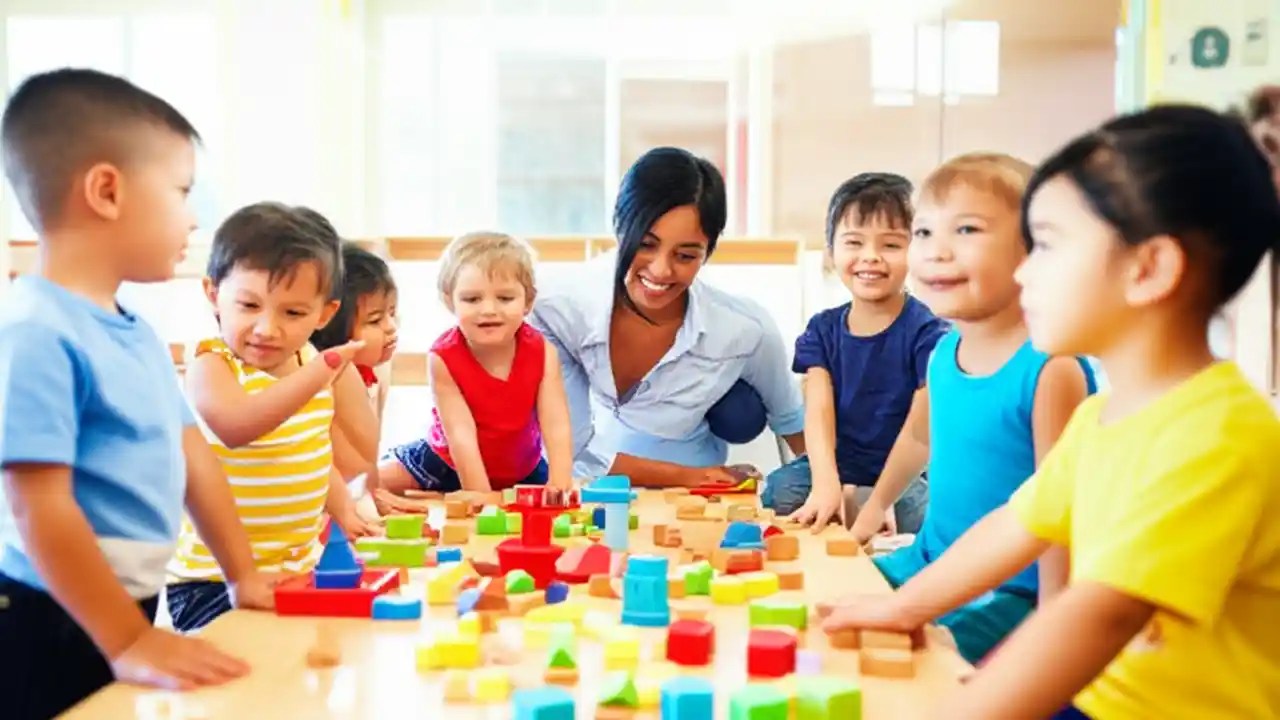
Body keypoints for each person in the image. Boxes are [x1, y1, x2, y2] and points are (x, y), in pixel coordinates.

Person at [823, 106, 1280, 720]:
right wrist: (903, 607)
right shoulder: (1105, 417)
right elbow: (1016, 526)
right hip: (1100, 697)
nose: (1022, 270)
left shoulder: (1215, 435)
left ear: (1149, 269)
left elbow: (1101, 612)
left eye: (1044, 246)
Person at [0, 68, 277, 718]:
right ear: (106, 190)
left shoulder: (138, 333)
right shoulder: (36, 332)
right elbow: (39, 506)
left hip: (123, 606)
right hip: (49, 614)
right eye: (182, 190)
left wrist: (244, 576)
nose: (194, 215)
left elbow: (195, 462)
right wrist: (126, 638)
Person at [844, 153, 1094, 664]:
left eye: (966, 230)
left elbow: (1061, 510)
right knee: (833, 604)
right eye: (924, 233)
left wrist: (1054, 623)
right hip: (931, 560)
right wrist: (871, 512)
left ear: (1033, 252)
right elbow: (919, 438)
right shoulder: (941, 353)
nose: (936, 252)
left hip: (1010, 591)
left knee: (917, 661)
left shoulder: (1051, 370)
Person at [530, 147, 806, 486]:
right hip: (595, 491)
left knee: (741, 414)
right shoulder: (555, 308)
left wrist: (838, 494)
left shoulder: (745, 330)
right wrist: (690, 477)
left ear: (708, 252)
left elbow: (793, 422)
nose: (661, 270)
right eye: (646, 244)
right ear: (620, 227)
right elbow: (571, 447)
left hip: (697, 496)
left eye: (686, 255)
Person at [165, 203, 378, 632]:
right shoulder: (213, 361)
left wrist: (346, 510)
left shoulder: (311, 361)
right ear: (213, 294)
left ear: (325, 314)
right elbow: (236, 427)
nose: (267, 328)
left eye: (293, 313)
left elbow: (320, 450)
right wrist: (323, 372)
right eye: (249, 305)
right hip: (212, 581)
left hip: (300, 568)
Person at [762, 172, 948, 531]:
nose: (871, 257)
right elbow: (817, 411)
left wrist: (884, 496)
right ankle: (846, 498)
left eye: (891, 245)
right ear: (831, 253)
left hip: (901, 469)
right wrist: (825, 481)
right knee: (780, 492)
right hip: (839, 461)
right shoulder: (823, 329)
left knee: (922, 513)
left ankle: (862, 504)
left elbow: (921, 431)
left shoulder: (929, 332)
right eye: (854, 243)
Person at [377, 232, 576, 494]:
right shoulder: (443, 358)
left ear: (528, 302)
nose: (488, 310)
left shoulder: (543, 352)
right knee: (369, 484)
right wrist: (479, 496)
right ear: (450, 301)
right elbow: (460, 435)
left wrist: (560, 482)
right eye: (472, 299)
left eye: (505, 298)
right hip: (446, 463)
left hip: (522, 468)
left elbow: (556, 422)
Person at [311, 242, 399, 484]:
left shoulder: (378, 370)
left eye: (392, 313)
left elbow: (368, 456)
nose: (391, 327)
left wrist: (375, 494)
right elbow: (345, 465)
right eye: (375, 320)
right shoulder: (330, 377)